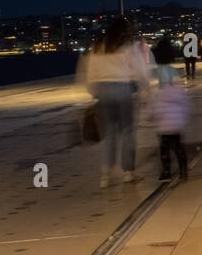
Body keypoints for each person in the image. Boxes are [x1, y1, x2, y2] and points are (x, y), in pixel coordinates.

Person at [77, 16, 152, 188]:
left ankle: (106, 174)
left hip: (102, 92)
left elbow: (89, 71)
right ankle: (127, 172)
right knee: (127, 132)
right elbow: (139, 69)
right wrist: (145, 87)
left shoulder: (97, 47)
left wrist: (92, 91)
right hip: (123, 90)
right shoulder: (127, 46)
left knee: (110, 134)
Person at [152, 44, 191, 182]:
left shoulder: (157, 73)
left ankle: (166, 171)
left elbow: (155, 102)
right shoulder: (174, 72)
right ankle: (183, 170)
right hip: (175, 120)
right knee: (178, 147)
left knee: (164, 149)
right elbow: (182, 97)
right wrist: (184, 114)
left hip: (163, 122)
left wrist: (153, 115)